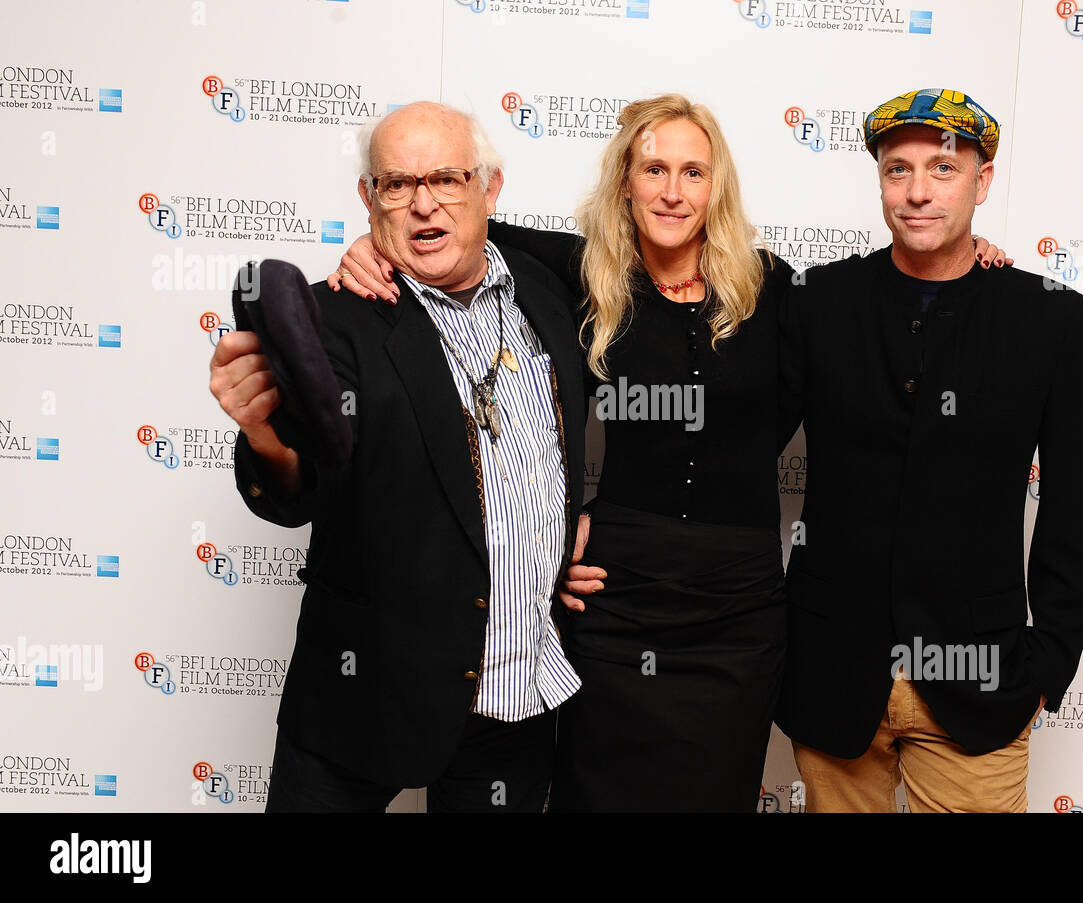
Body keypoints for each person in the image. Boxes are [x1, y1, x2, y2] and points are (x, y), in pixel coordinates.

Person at [331, 94, 1010, 812]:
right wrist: (370, 245)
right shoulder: (580, 272)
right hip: (617, 600)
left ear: (715, 186)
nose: (672, 190)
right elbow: (451, 227)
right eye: (653, 168)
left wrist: (973, 257)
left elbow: (885, 297)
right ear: (625, 179)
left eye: (693, 171)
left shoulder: (774, 287)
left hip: (738, 614)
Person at [208, 101, 589, 812]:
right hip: (361, 700)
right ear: (368, 199)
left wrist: (595, 515)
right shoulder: (338, 316)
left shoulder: (551, 285)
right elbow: (302, 480)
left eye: (446, 178)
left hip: (513, 692)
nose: (423, 204)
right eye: (396, 185)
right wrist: (263, 430)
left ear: (492, 188)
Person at [775, 88, 1083, 812]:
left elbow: (1075, 503)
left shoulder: (1048, 316)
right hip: (833, 673)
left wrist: (1050, 661)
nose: (918, 191)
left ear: (982, 182)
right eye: (898, 170)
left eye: (943, 169)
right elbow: (739, 434)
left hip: (981, 681)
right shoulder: (816, 300)